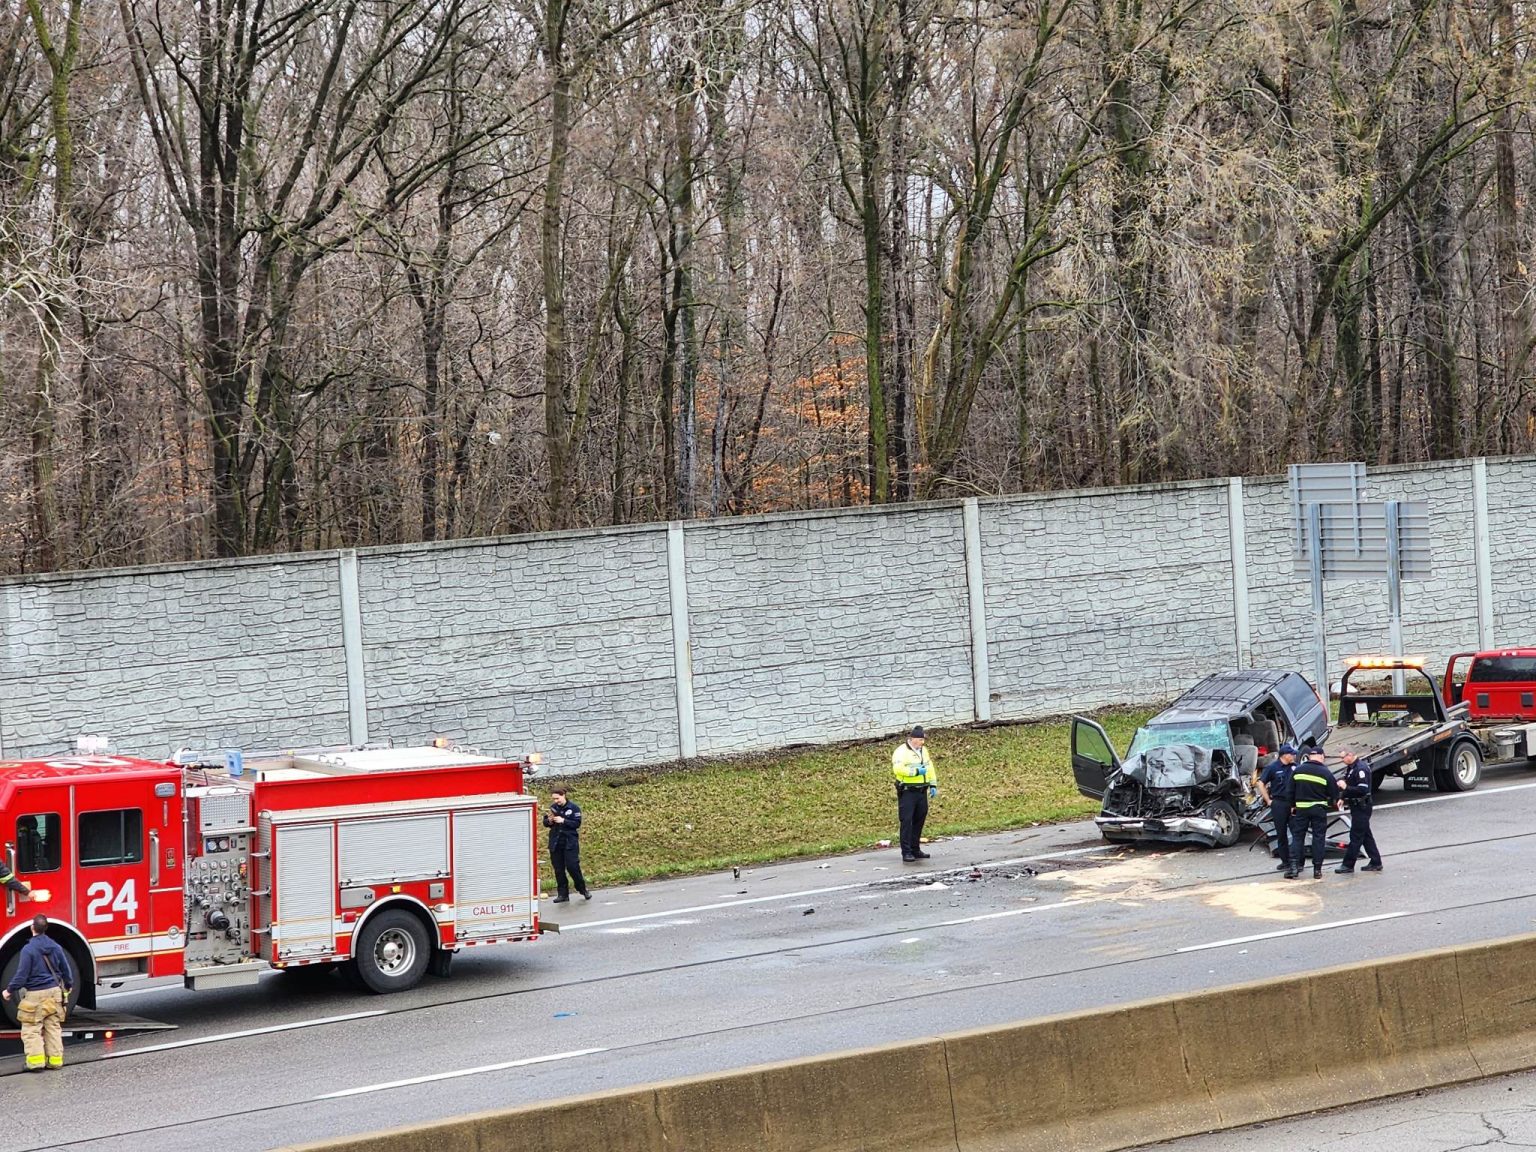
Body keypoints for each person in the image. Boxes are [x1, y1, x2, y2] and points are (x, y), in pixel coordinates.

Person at [2, 915, 73, 1071]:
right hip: (54, 993)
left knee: (32, 1028)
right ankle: (55, 1061)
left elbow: (21, 975)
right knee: (53, 1027)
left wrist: (9, 991)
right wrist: (68, 986)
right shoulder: (56, 946)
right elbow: (66, 971)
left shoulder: (28, 950)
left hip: (35, 994)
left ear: (32, 928)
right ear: (46, 928)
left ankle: (35, 1063)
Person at [1286, 744, 1341, 880]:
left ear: (1310, 756)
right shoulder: (1326, 772)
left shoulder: (1298, 770)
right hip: (1318, 809)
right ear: (1321, 756)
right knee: (1318, 838)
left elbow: (1289, 791)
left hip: (1301, 810)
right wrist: (1331, 803)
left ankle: (1294, 868)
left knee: (1297, 837)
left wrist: (1293, 805)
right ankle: (1317, 870)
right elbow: (1334, 794)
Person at [892, 725, 938, 862]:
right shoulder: (901, 752)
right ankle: (906, 851)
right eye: (920, 740)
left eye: (923, 740)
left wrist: (933, 784)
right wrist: (917, 772)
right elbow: (898, 769)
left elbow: (930, 767)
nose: (922, 743)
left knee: (919, 820)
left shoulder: (924, 750)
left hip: (921, 790)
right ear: (912, 739)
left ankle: (915, 849)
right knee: (907, 821)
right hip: (908, 791)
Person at [1335, 751, 1383, 874]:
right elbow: (1351, 784)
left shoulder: (1361, 769)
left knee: (1356, 836)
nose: (1342, 760)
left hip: (1362, 805)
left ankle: (1348, 864)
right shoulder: (1351, 768)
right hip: (1357, 805)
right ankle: (1376, 861)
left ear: (1350, 754)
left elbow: (1362, 789)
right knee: (1366, 835)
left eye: (1343, 757)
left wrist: (1345, 788)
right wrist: (1343, 797)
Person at [1256, 744, 1299, 871]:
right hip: (1279, 803)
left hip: (1293, 804)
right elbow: (1260, 783)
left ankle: (1296, 861)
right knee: (1281, 834)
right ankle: (1285, 861)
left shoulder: (1295, 767)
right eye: (1292, 754)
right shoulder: (1272, 768)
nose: (1294, 756)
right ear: (1285, 755)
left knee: (1296, 833)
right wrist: (1268, 800)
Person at [543, 789, 590, 903]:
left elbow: (576, 823)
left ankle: (582, 889)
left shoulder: (573, 808)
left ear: (563, 796)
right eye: (554, 799)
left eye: (557, 798)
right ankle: (563, 894)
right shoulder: (553, 808)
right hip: (556, 842)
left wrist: (563, 820)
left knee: (572, 867)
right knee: (559, 869)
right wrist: (549, 821)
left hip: (569, 842)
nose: (556, 801)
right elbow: (545, 823)